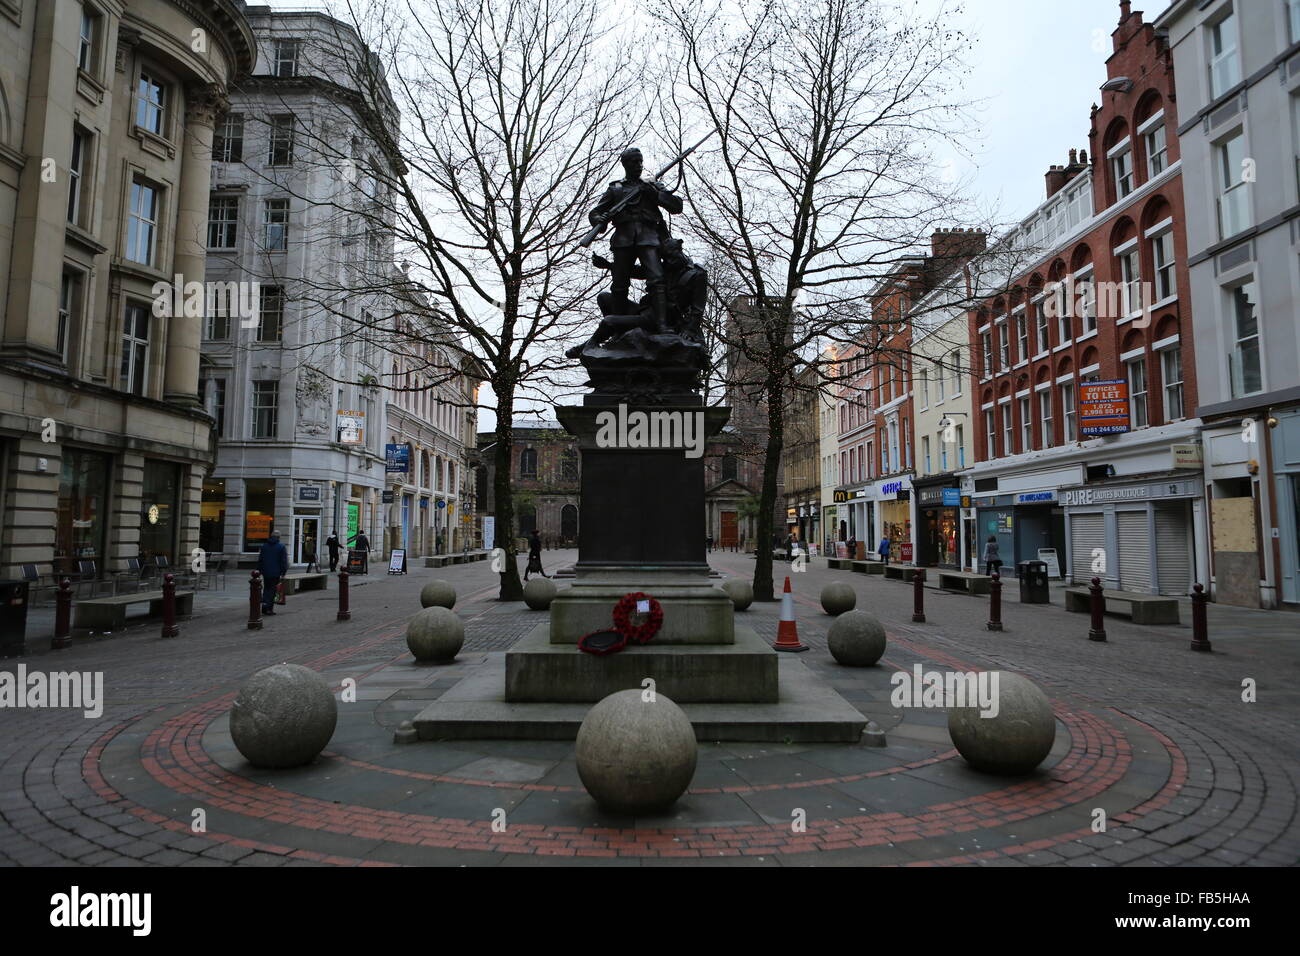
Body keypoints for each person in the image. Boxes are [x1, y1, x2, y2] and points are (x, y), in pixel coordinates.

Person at [257, 530, 289, 616]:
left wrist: (259, 571)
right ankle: (268, 608)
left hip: (265, 571)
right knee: (272, 590)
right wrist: (283, 572)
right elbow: (283, 561)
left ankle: (264, 605)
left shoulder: (264, 546)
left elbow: (260, 559)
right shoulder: (281, 547)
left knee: (267, 588)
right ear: (279, 537)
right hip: (276, 572)